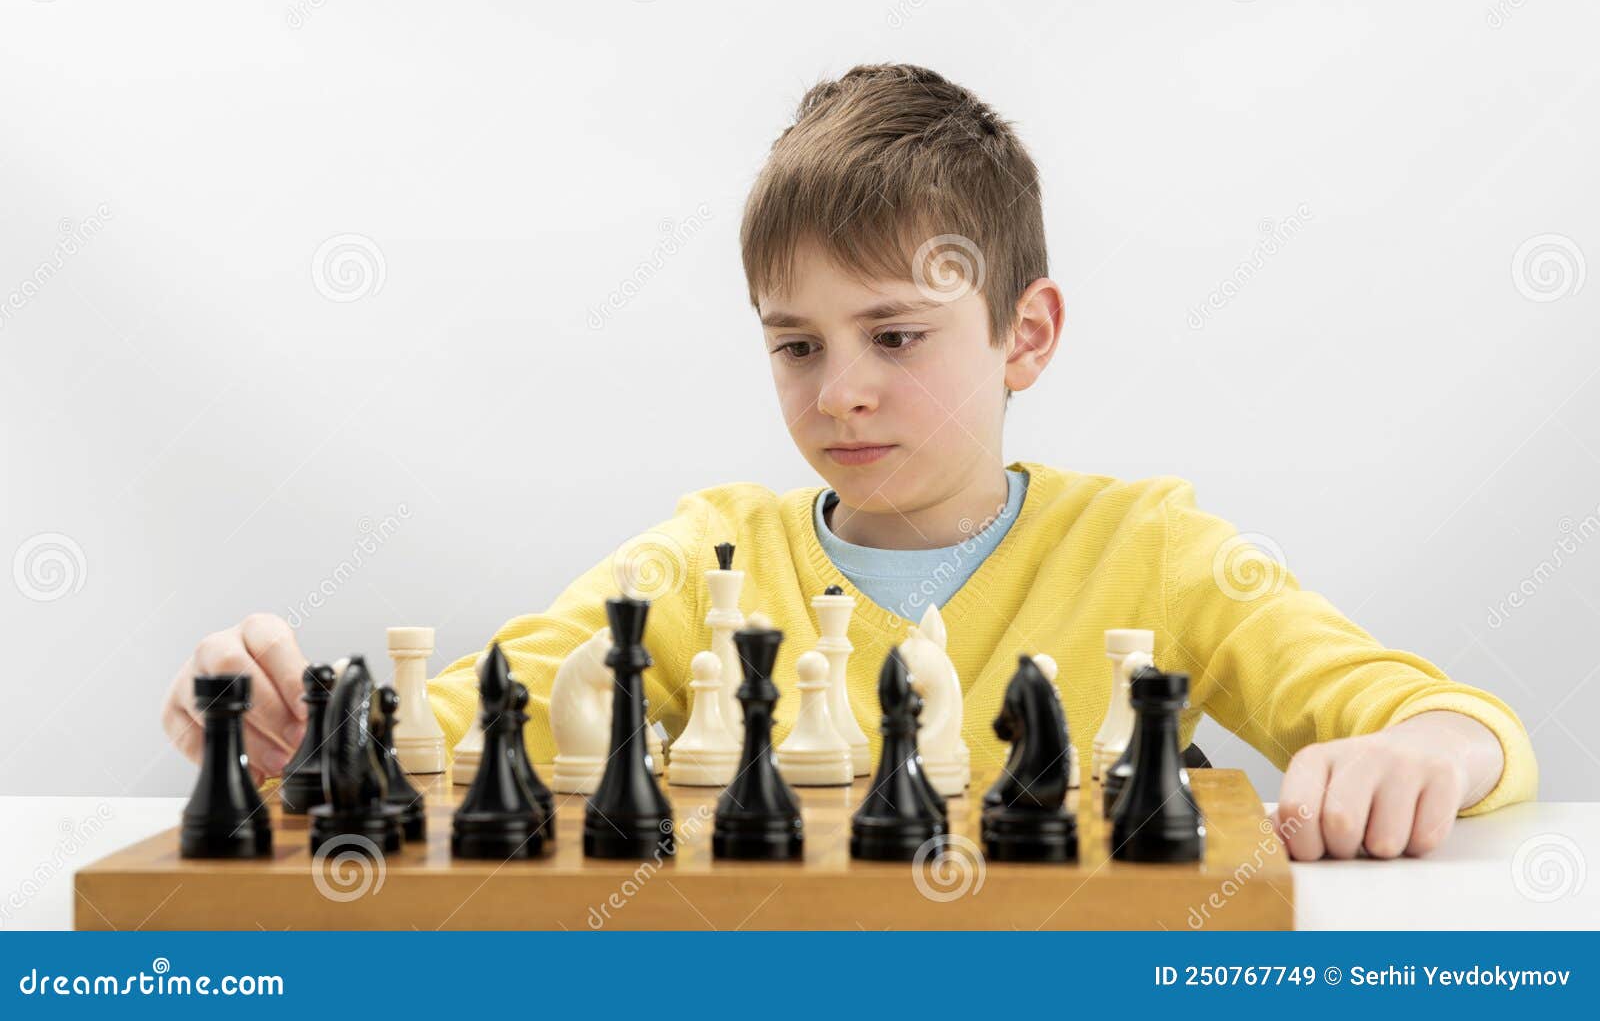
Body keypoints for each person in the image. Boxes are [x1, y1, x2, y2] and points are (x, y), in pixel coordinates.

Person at [161, 63, 1535, 861]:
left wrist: (1429, 745)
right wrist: (299, 728)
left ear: (1025, 333)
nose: (844, 391)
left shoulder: (1155, 549)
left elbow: (1436, 713)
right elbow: (480, 705)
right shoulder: (709, 557)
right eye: (797, 345)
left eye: (896, 332)